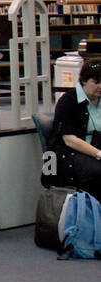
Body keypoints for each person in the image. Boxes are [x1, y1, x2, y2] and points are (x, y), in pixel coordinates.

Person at [48, 59, 101, 197]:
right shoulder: (68, 100)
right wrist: (99, 154)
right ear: (83, 81)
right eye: (96, 82)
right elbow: (70, 140)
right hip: (69, 155)